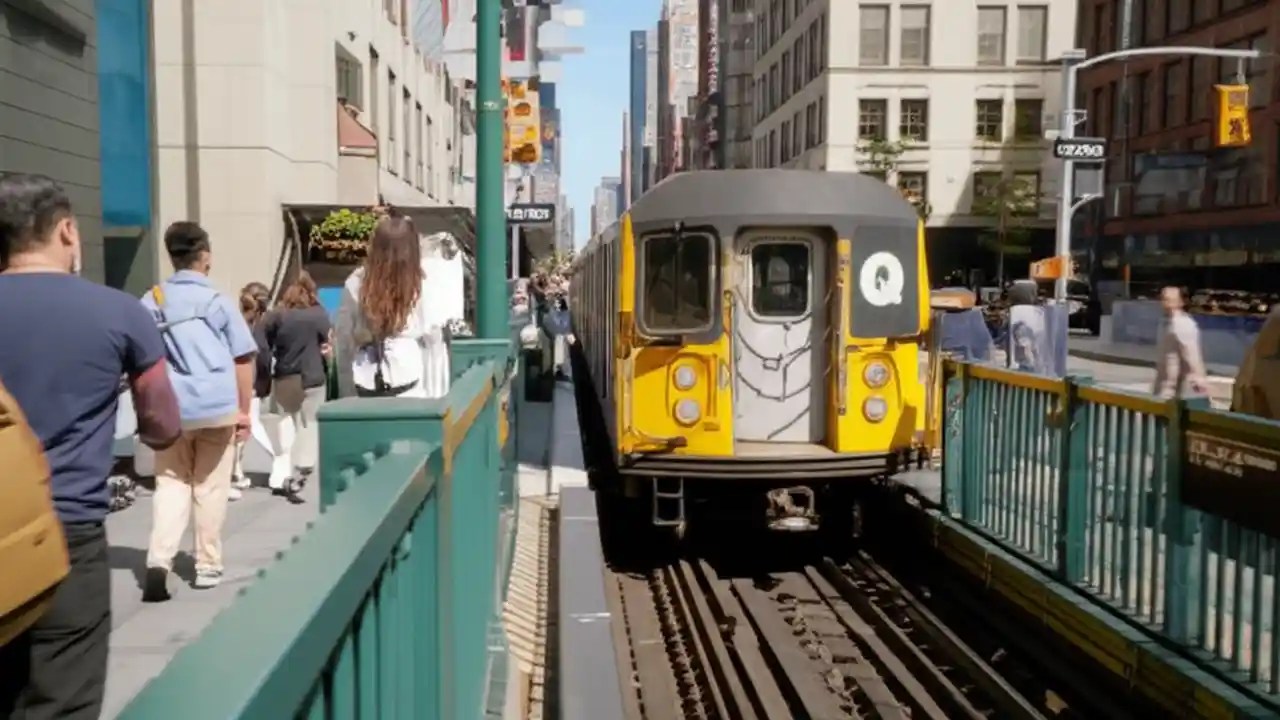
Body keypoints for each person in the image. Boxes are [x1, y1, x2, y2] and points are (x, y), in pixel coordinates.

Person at [0, 173, 181, 719]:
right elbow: (162, 424)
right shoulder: (120, 313)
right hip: (65, 534)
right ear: (66, 231)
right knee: (63, 698)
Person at [140, 221, 258, 600]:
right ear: (204, 255)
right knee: (209, 486)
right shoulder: (218, 300)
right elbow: (242, 358)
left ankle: (159, 560)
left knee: (171, 483)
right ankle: (207, 565)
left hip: (171, 408)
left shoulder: (152, 300)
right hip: (216, 406)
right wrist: (244, 411)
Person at [335, 213, 449, 399]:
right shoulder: (423, 284)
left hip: (365, 383)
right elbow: (434, 341)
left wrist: (346, 396)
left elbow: (344, 342)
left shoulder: (356, 283)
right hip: (409, 384)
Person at [262, 270, 331, 501]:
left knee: (285, 421)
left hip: (284, 376)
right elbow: (326, 341)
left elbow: (264, 344)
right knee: (308, 423)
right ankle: (303, 467)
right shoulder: (318, 314)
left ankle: (281, 470)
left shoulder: (276, 316)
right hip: (312, 376)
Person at [230, 282, 272, 499]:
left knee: (240, 430)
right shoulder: (256, 329)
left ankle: (236, 470)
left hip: (236, 383)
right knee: (250, 425)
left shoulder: (237, 324)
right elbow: (260, 360)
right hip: (248, 385)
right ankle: (277, 458)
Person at [1153, 286, 1209, 399]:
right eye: (1163, 299)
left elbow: (1192, 354)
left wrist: (1199, 379)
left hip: (1171, 388)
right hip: (1164, 384)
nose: (1164, 303)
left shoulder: (1183, 324)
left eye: (1168, 299)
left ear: (1181, 302)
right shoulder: (1168, 322)